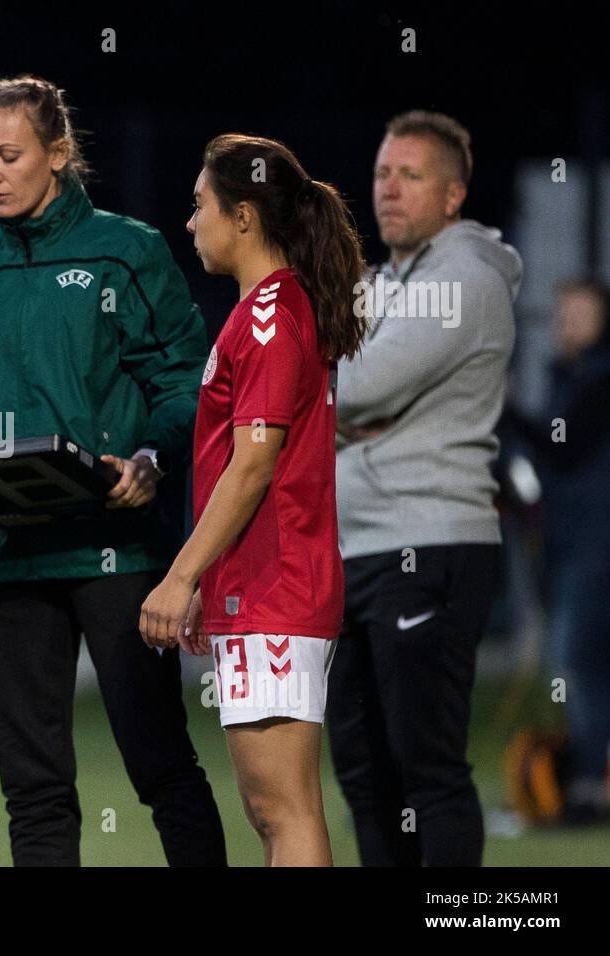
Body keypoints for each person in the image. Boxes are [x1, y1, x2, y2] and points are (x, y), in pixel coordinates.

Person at [0, 75, 225, 867]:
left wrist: (150, 458)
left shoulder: (128, 250)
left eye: (8, 155)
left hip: (119, 550)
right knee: (33, 788)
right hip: (5, 557)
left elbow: (184, 383)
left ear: (58, 154)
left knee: (161, 764)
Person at [140, 134, 366, 866]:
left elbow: (254, 463)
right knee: (273, 810)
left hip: (280, 586)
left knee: (283, 809)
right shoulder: (263, 311)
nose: (190, 221)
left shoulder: (270, 315)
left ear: (243, 216)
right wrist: (213, 578)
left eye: (200, 205)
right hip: (259, 585)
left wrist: (179, 575)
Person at [329, 110, 521, 866]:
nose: (390, 189)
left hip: (430, 544)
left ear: (453, 196)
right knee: (364, 774)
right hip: (358, 548)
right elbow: (325, 377)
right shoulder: (381, 284)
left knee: (427, 771)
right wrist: (341, 405)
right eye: (382, 173)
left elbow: (353, 386)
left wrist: (344, 408)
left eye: (412, 175)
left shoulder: (467, 278)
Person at [506, 278, 610, 823]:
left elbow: (560, 445)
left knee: (579, 662)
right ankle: (590, 779)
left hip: (595, 550)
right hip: (571, 547)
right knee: (583, 664)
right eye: (564, 311)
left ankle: (592, 787)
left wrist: (499, 409)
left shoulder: (599, 376)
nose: (569, 322)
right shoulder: (567, 377)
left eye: (583, 313)